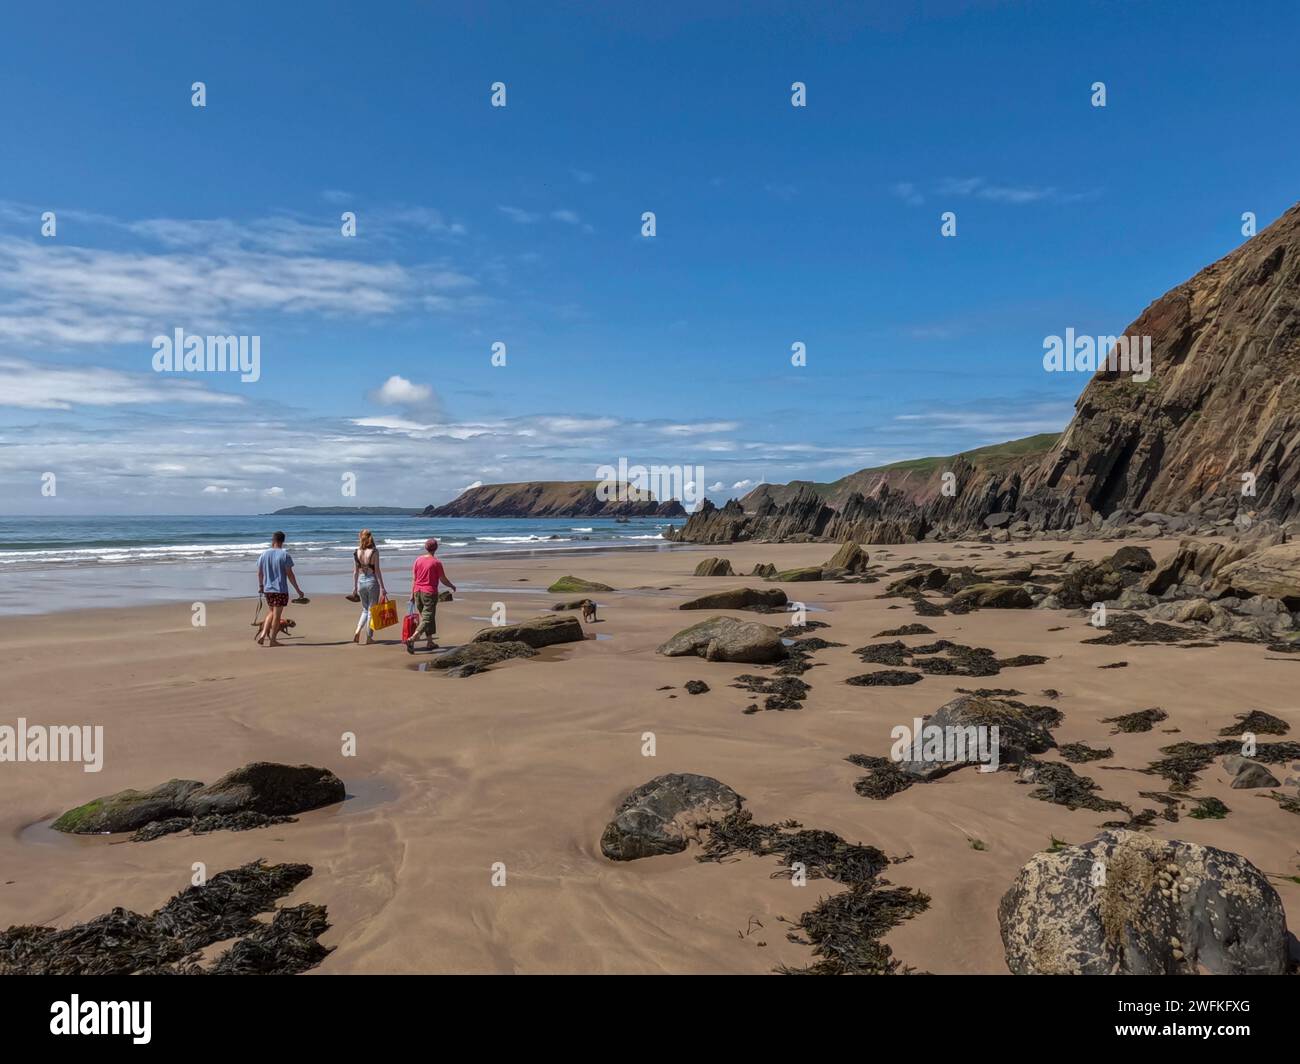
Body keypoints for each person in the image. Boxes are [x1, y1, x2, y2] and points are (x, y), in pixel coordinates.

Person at [407, 537, 456, 653]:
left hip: (417, 592)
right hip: (429, 593)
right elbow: (443, 579)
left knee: (428, 617)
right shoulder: (436, 562)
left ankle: (430, 642)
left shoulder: (418, 560)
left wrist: (411, 594)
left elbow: (414, 579)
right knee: (428, 617)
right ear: (436, 548)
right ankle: (413, 638)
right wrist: (451, 586)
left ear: (425, 547)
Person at [256, 531, 304, 646]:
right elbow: (290, 574)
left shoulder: (263, 554)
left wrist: (261, 586)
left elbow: (259, 573)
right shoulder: (285, 555)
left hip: (268, 589)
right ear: (283, 541)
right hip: (280, 589)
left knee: (271, 612)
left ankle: (263, 635)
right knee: (277, 616)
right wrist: (298, 590)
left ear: (273, 540)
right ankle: (273, 640)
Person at [351, 529, 388, 644]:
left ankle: (357, 631)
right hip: (372, 581)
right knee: (372, 610)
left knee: (365, 610)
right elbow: (377, 570)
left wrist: (354, 587)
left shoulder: (356, 551)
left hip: (361, 581)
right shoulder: (374, 552)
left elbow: (355, 571)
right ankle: (369, 637)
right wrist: (382, 587)